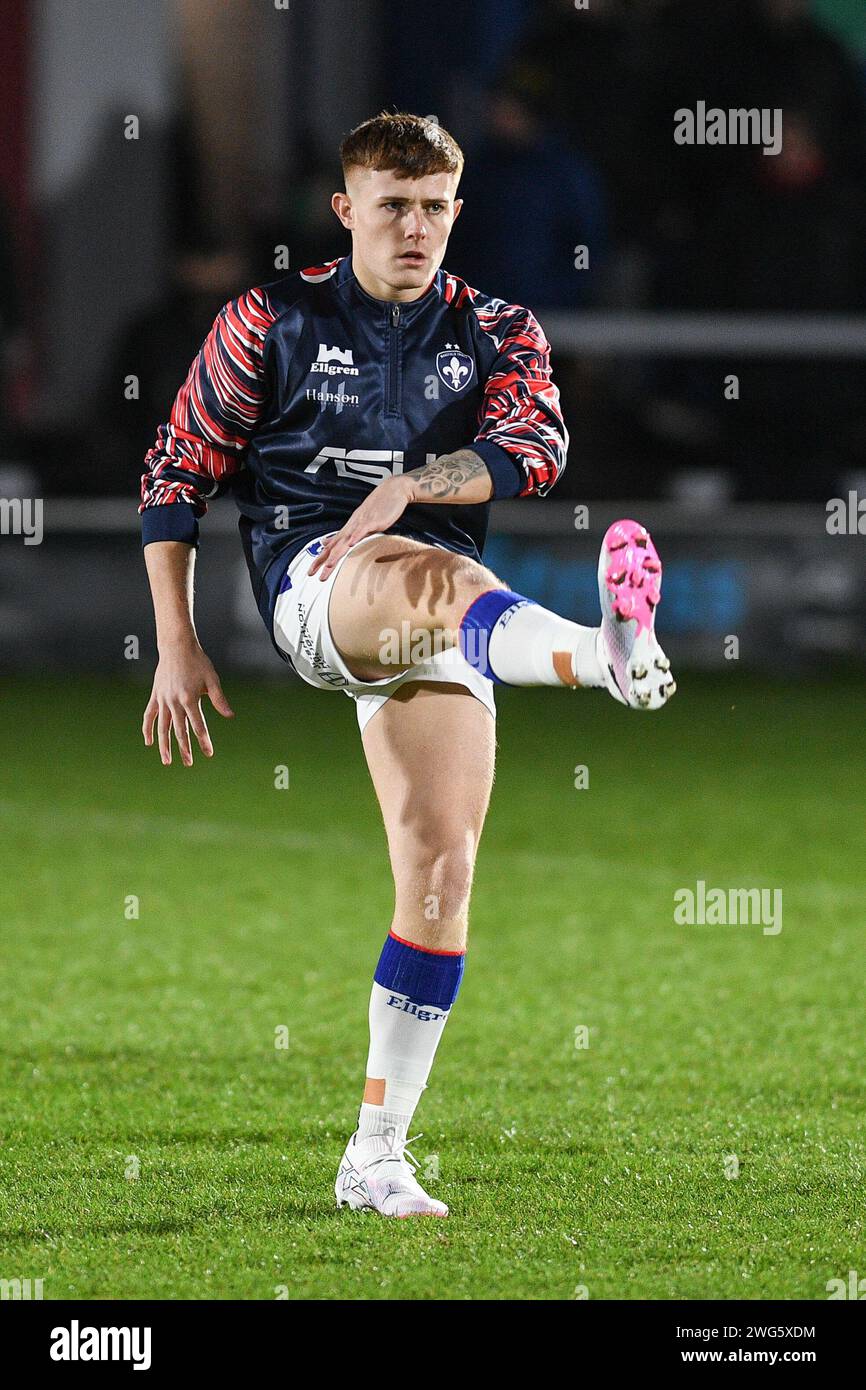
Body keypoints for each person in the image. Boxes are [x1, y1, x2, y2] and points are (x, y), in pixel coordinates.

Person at [139, 112, 675, 1219]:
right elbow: (175, 470)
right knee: (422, 575)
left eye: (435, 207)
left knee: (439, 869)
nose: (416, 227)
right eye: (393, 205)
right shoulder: (269, 320)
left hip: (444, 625)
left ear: (456, 211)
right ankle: (596, 653)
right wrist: (177, 643)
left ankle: (375, 1153)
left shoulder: (494, 328)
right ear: (345, 211)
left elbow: (536, 447)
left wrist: (417, 483)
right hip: (314, 592)